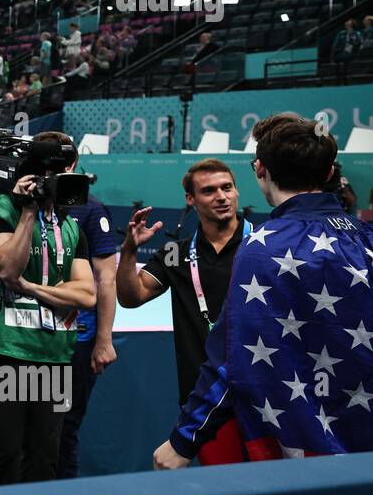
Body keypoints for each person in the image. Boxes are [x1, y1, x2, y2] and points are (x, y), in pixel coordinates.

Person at [154, 114, 373, 466]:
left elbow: (234, 356)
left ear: (260, 170)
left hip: (301, 451)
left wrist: (184, 439)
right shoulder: (368, 239)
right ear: (331, 173)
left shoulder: (262, 247)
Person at [0, 132, 97, 488]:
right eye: (57, 170)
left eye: (69, 168)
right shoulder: (3, 209)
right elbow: (6, 269)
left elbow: (87, 295)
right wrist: (27, 212)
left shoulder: (70, 225)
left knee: (43, 454)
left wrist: (31, 288)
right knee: (0, 448)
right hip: (10, 349)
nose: (66, 177)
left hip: (56, 352)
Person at [117, 159, 255, 464]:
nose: (221, 196)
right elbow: (131, 296)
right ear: (190, 200)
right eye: (209, 191)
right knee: (222, 493)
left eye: (227, 187)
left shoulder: (263, 245)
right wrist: (128, 251)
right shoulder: (176, 254)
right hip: (206, 400)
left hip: (264, 395)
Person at [55, 140, 119, 479]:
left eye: (64, 159)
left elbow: (106, 280)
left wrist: (104, 340)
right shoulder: (22, 205)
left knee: (65, 425)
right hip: (29, 336)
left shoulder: (91, 211)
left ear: (76, 161)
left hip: (78, 339)